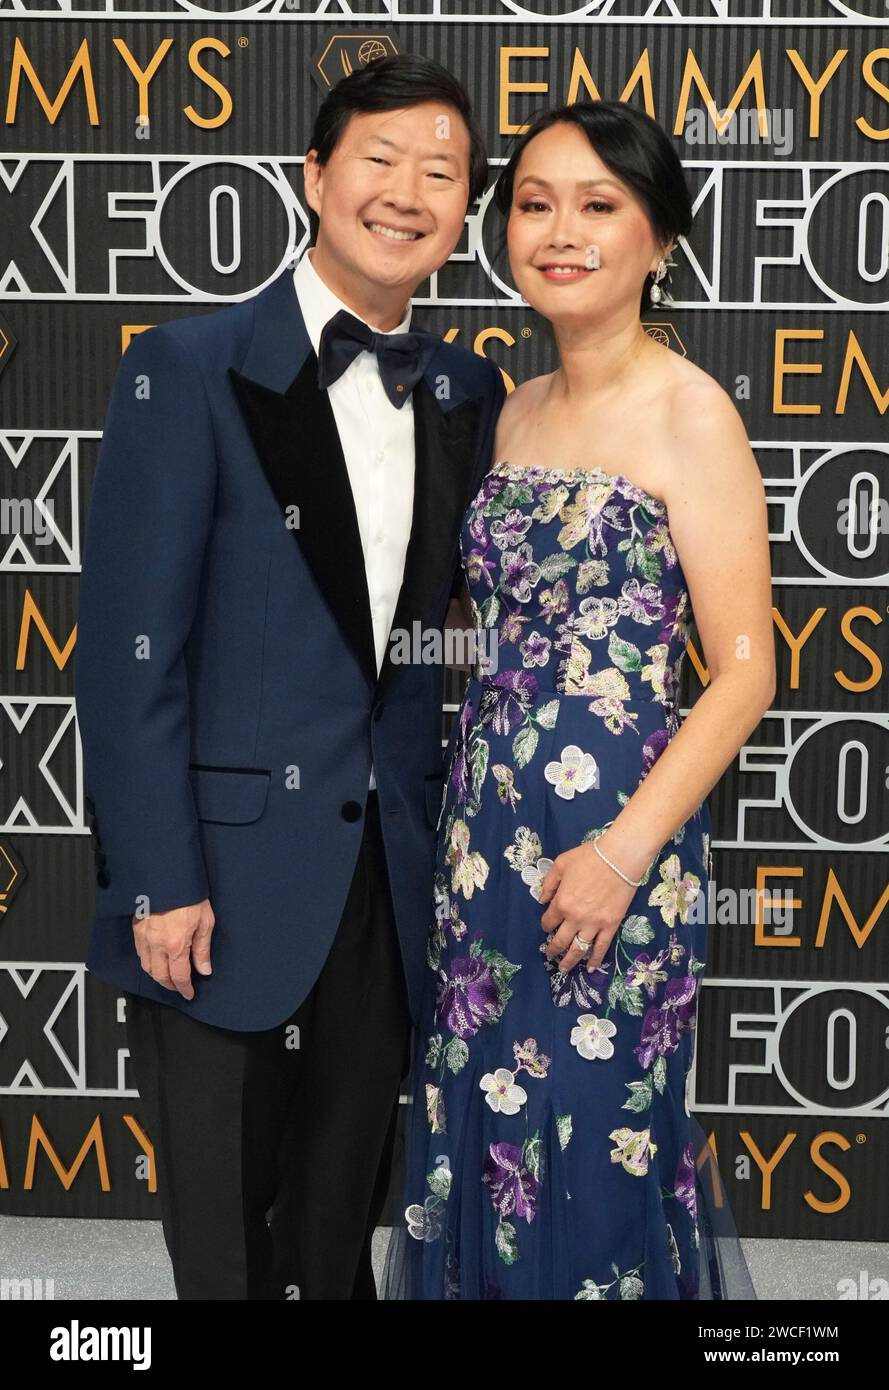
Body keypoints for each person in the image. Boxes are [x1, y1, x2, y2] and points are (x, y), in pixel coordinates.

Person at [74, 53, 505, 1300]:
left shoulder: (466, 392)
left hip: (389, 877)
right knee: (222, 1249)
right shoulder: (188, 369)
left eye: (441, 174)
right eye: (379, 160)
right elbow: (127, 655)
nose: (407, 193)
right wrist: (159, 878)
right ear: (314, 176)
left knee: (338, 1235)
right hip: (215, 883)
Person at [382, 99, 772, 1300]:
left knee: (602, 1138)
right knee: (479, 1124)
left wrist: (619, 851)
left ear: (660, 239)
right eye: (534, 204)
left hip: (614, 844)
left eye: (599, 206)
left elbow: (748, 666)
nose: (561, 231)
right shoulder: (510, 408)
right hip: (483, 840)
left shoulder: (690, 413)